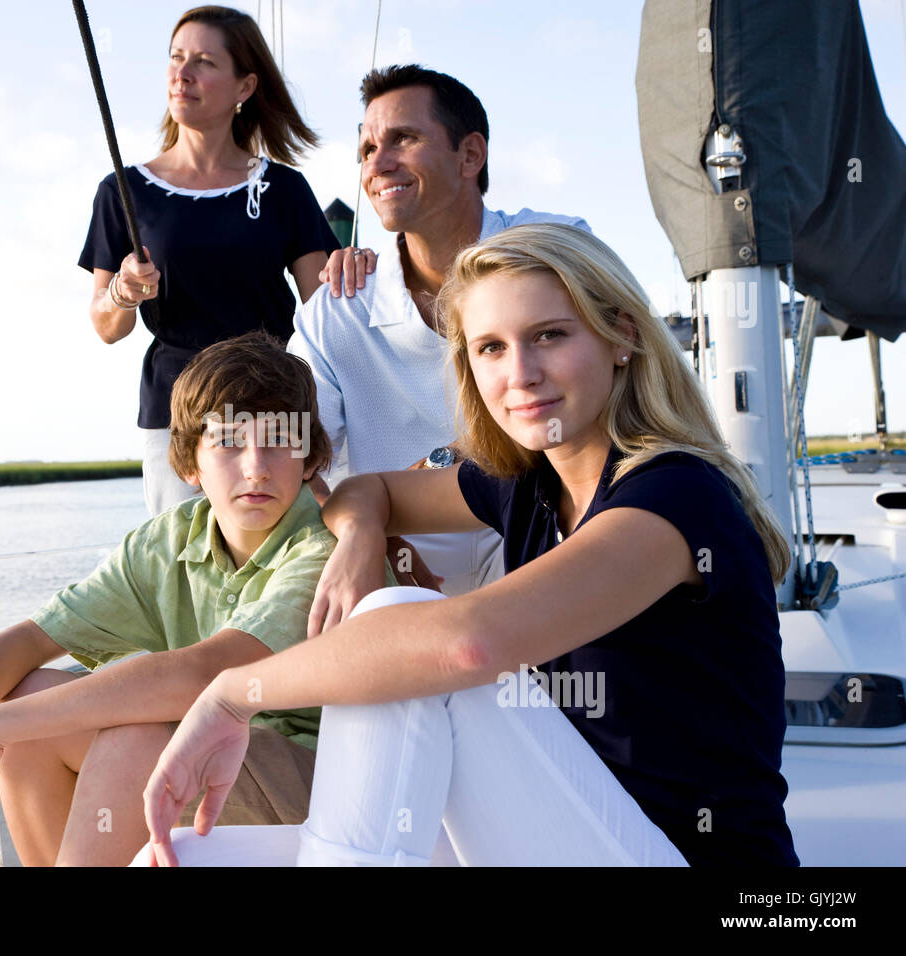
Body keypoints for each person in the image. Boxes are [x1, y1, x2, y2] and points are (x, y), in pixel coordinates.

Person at [139, 223, 800, 867]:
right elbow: (366, 491)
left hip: (681, 852)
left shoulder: (674, 498)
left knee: (406, 633)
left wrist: (234, 692)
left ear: (621, 336)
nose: (522, 374)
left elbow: (469, 644)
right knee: (175, 859)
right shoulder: (526, 484)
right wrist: (364, 536)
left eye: (549, 335)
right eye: (491, 348)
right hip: (543, 824)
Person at [0, 331, 340, 866]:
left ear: (308, 457)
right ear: (190, 464)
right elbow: (35, 639)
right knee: (31, 700)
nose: (256, 465)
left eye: (278, 439)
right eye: (229, 442)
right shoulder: (170, 540)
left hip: (316, 786)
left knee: (133, 735)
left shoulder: (323, 549)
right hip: (214, 760)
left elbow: (207, 675)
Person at [288, 65, 589, 598]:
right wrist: (369, 534)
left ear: (470, 155)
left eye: (403, 138)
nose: (377, 164)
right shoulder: (335, 310)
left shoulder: (558, 250)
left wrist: (441, 460)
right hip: (398, 553)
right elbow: (291, 454)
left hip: (550, 525)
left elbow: (616, 389)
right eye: (366, 149)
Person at [82, 5, 340, 517]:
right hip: (178, 413)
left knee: (285, 567)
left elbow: (324, 313)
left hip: (274, 407)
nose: (182, 74)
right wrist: (122, 293)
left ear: (244, 87)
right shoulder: (124, 192)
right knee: (190, 569)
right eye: (176, 58)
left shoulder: (283, 189)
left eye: (203, 61)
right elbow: (107, 327)